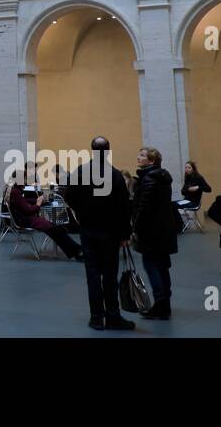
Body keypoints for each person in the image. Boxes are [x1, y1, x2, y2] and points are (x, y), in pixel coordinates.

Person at [62, 136, 135, 331]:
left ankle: (96, 318)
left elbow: (68, 196)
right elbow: (124, 208)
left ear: (92, 151)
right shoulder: (116, 175)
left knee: (92, 275)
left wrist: (81, 212)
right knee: (110, 276)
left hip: (88, 230)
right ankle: (113, 316)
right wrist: (125, 234)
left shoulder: (80, 172)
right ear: (108, 152)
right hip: (111, 232)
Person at [131, 148, 178, 320]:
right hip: (164, 230)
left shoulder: (148, 179)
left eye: (142, 155)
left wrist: (135, 228)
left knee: (152, 266)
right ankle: (166, 303)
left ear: (151, 161)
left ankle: (160, 304)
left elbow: (143, 208)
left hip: (151, 231)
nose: (138, 157)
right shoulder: (162, 178)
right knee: (163, 267)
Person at [7, 169, 83, 260]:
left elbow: (24, 202)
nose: (25, 180)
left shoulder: (15, 190)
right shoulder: (15, 192)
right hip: (26, 220)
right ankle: (77, 251)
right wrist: (38, 204)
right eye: (24, 178)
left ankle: (75, 251)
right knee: (55, 230)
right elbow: (28, 210)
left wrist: (38, 201)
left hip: (25, 219)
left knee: (57, 229)